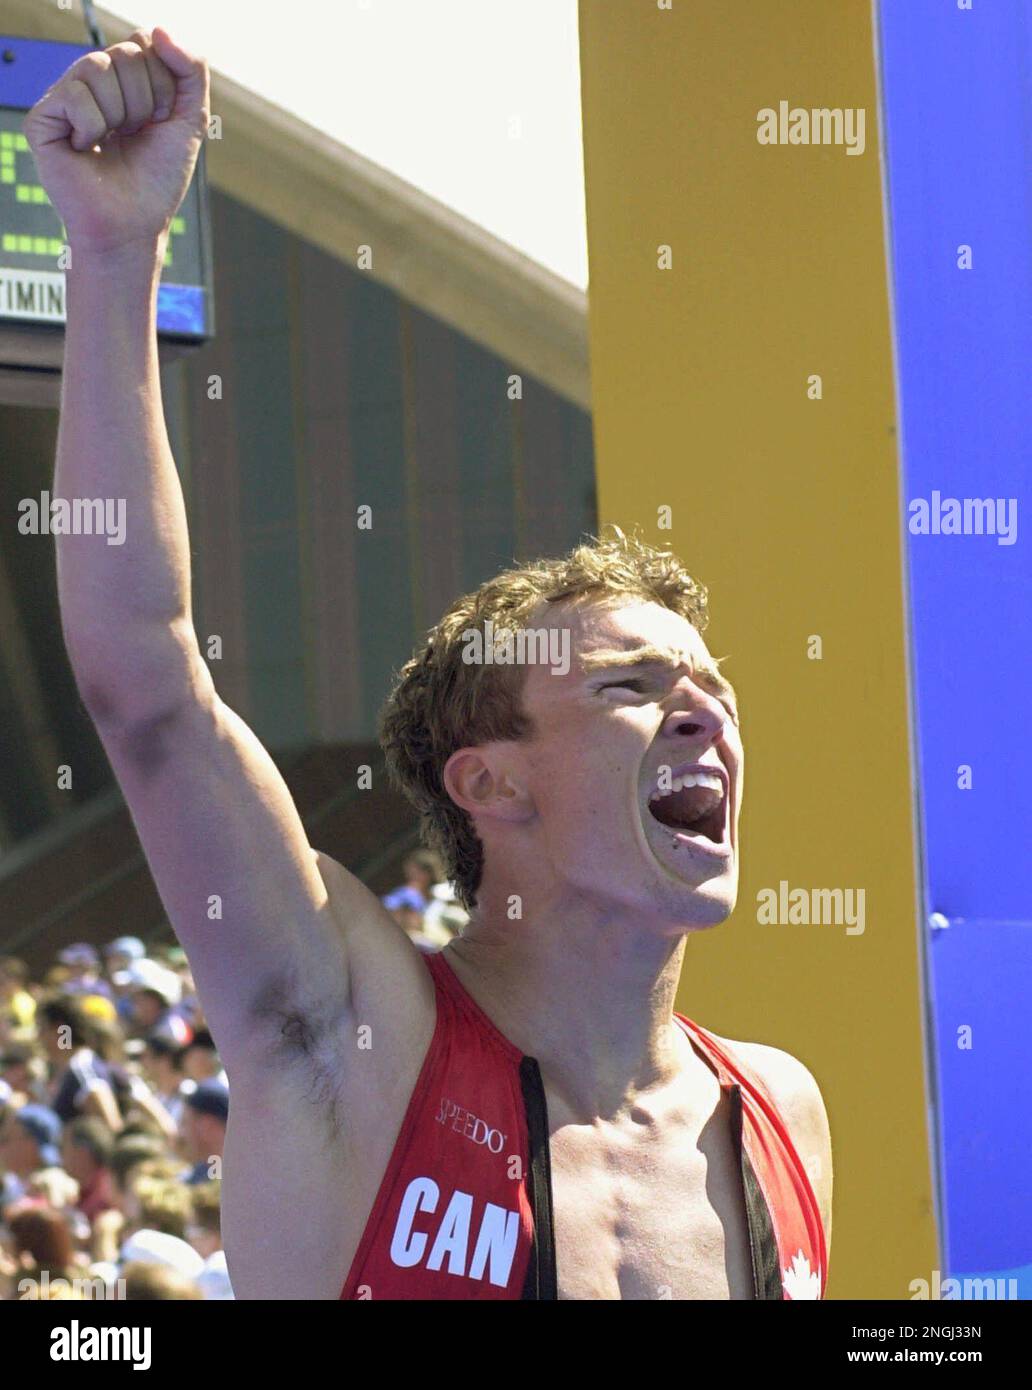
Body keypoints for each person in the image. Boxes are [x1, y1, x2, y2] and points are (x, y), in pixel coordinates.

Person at [27, 27, 832, 1299]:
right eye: (633, 686)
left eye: (712, 690)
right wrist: (119, 252)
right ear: (490, 784)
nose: (702, 715)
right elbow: (150, 688)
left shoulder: (780, 1114)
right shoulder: (356, 1034)